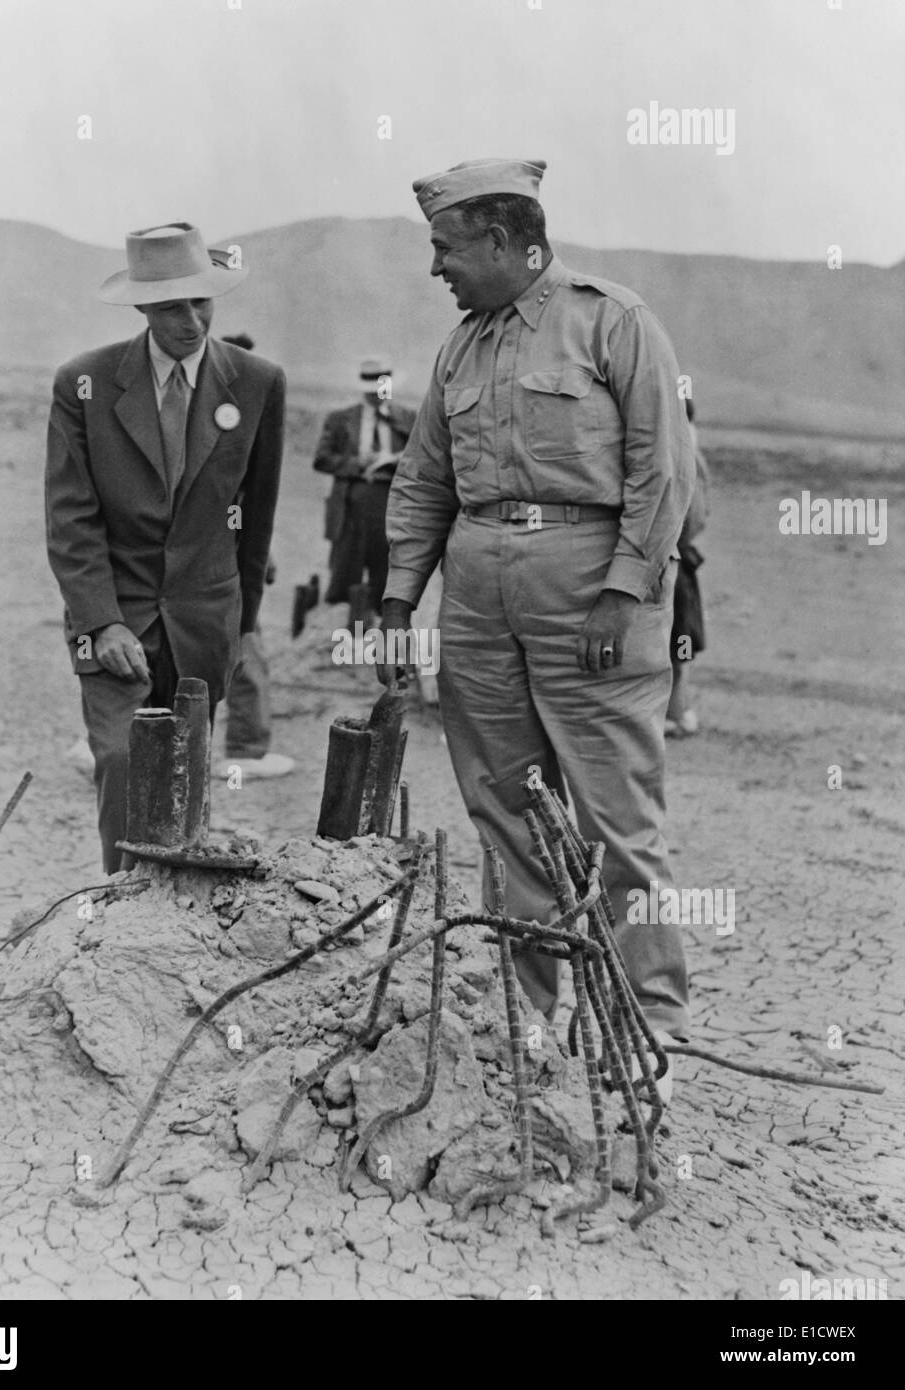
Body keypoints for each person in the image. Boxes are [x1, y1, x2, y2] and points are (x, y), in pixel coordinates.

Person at [378, 159, 696, 1087]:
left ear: (510, 243)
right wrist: (400, 594)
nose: (437, 268)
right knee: (507, 815)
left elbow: (660, 470)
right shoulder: (459, 349)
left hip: (590, 591)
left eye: (447, 249)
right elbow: (425, 477)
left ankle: (648, 1027)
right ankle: (526, 1022)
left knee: (613, 817)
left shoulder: (614, 320)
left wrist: (622, 592)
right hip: (478, 596)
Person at [46, 222, 285, 871]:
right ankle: (123, 914)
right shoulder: (84, 383)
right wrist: (102, 621)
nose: (191, 318)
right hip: (114, 622)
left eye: (200, 301)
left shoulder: (258, 382)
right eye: (173, 305)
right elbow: (71, 520)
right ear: (142, 306)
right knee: (123, 765)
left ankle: (168, 923)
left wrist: (241, 629)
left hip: (205, 624)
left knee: (182, 780)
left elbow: (254, 521)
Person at [213, 332, 295, 779]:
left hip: (231, 555)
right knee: (244, 649)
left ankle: (244, 747)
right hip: (216, 560)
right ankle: (245, 748)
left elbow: (250, 502)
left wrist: (263, 556)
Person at [313, 358, 416, 613]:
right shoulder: (341, 419)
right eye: (373, 390)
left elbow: (420, 458)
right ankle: (341, 628)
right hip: (351, 504)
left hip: (390, 503)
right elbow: (322, 459)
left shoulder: (406, 418)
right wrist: (357, 463)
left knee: (386, 568)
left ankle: (381, 625)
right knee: (346, 568)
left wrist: (397, 460)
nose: (378, 395)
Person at [666, 396, 709, 737]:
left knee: (681, 643)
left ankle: (677, 711)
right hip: (677, 559)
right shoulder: (687, 455)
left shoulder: (684, 456)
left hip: (677, 561)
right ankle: (677, 712)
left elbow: (694, 518)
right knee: (679, 645)